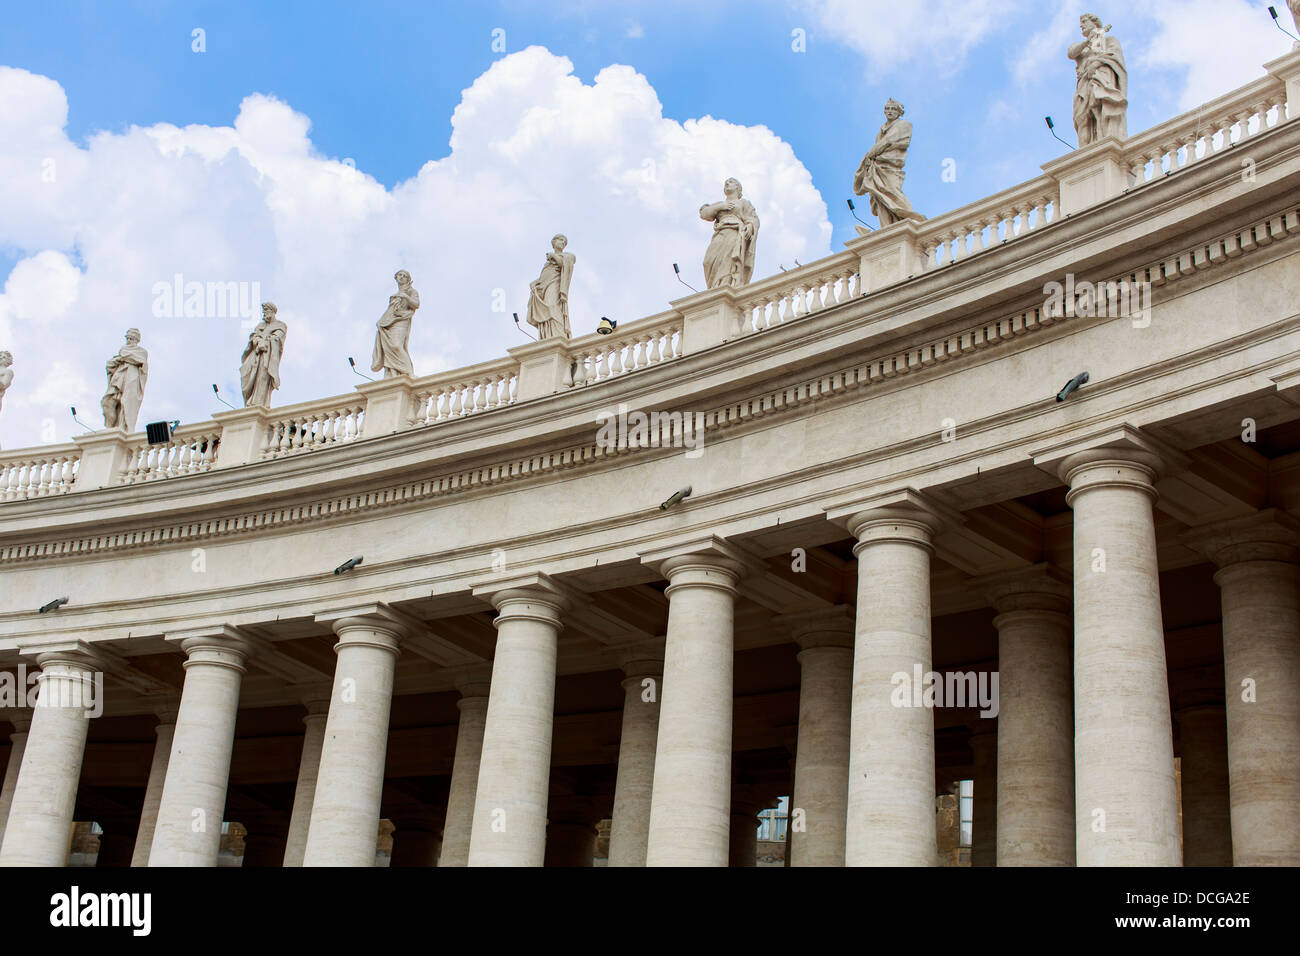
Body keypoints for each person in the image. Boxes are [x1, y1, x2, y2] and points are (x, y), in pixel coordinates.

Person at [854, 99, 926, 228]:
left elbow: (887, 141)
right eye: (887, 108)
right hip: (877, 167)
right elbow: (881, 143)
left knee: (893, 192)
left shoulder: (903, 125)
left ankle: (911, 219)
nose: (890, 111)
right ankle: (887, 227)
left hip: (890, 166)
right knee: (879, 197)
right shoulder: (880, 131)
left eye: (893, 109)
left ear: (899, 112)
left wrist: (870, 154)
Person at [1069, 14, 1128, 147]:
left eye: (1084, 21)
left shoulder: (1109, 40)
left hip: (1101, 80)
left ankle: (1105, 141)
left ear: (1094, 22)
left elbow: (1115, 57)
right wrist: (1087, 42)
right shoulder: (1082, 47)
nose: (1081, 25)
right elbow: (1071, 53)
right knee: (1082, 117)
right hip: (1083, 84)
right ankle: (1085, 150)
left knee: (1101, 109)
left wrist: (1096, 63)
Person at [700, 178, 759, 289]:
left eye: (731, 182)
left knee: (728, 260)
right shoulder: (719, 204)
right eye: (726, 183)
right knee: (708, 261)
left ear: (738, 188)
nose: (727, 183)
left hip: (734, 234)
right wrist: (721, 207)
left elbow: (753, 219)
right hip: (720, 233)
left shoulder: (744, 203)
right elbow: (704, 214)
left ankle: (724, 285)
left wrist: (750, 226)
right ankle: (713, 286)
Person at [526, 236, 576, 340]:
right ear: (554, 242)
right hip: (543, 287)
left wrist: (554, 256)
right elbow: (546, 275)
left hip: (554, 285)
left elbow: (564, 265)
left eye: (564, 242)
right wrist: (535, 283)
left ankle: (557, 335)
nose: (563, 242)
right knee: (545, 310)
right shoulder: (548, 263)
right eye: (561, 240)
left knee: (551, 305)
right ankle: (547, 336)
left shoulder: (568, 256)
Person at [372, 270, 419, 376]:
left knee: (397, 345)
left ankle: (409, 372)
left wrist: (405, 296)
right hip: (390, 322)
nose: (402, 277)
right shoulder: (395, 295)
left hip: (401, 320)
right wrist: (382, 321)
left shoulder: (411, 291)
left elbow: (416, 304)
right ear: (396, 278)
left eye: (404, 276)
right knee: (388, 347)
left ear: (408, 279)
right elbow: (390, 311)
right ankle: (393, 373)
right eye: (400, 275)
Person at [241, 302, 287, 407]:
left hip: (267, 356)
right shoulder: (260, 326)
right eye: (263, 312)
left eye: (266, 311)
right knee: (248, 377)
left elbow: (277, 338)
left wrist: (265, 343)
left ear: (272, 312)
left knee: (263, 377)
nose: (264, 314)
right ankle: (251, 401)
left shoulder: (280, 325)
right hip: (256, 355)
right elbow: (253, 336)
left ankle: (258, 403)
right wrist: (257, 341)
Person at [101, 329, 148, 430]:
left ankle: (123, 427)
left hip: (131, 378)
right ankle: (109, 428)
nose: (128, 340)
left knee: (126, 403)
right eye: (127, 338)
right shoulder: (122, 352)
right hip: (118, 378)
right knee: (107, 401)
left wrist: (124, 357)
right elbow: (110, 365)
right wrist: (122, 358)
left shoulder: (141, 351)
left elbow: (141, 362)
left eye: (131, 338)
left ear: (136, 339)